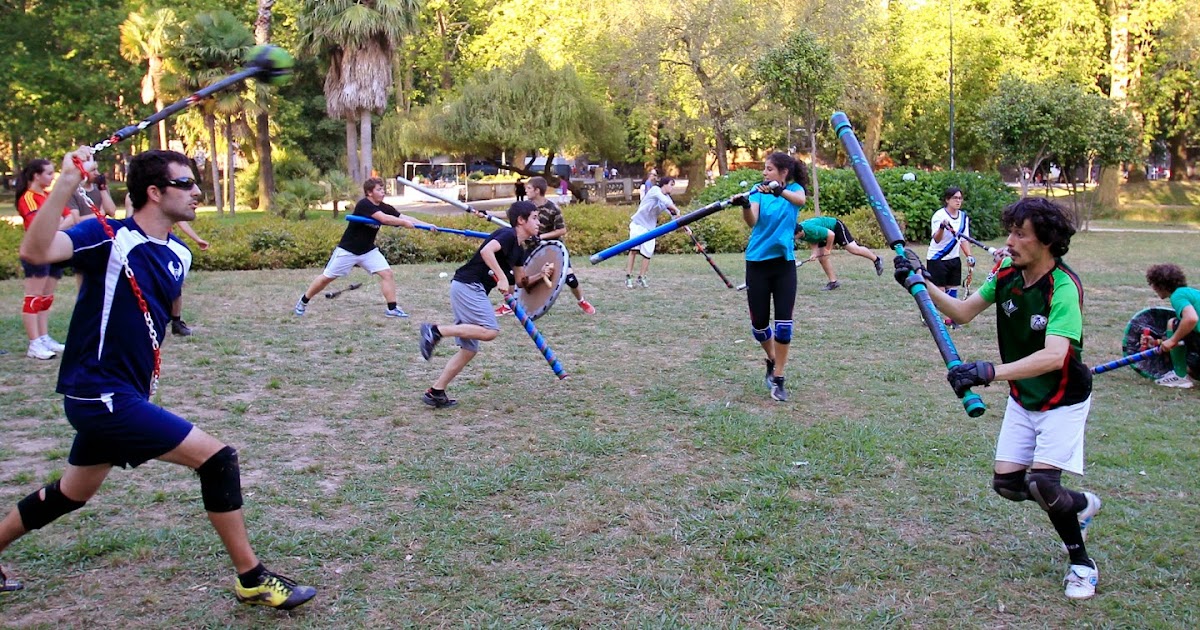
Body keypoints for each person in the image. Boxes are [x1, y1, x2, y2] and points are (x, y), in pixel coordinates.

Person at [0, 147, 316, 609]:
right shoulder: (108, 236)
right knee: (217, 459)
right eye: (186, 184)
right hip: (97, 393)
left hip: (126, 393)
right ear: (154, 191)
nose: (196, 192)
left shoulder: (179, 255)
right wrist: (67, 182)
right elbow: (35, 251)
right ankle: (251, 577)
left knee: (72, 493)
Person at [895, 196, 1101, 600]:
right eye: (1011, 231)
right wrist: (920, 280)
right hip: (1024, 397)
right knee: (1007, 485)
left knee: (1042, 483)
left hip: (1063, 397)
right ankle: (1077, 504)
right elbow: (964, 310)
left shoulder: (1063, 287)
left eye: (1020, 234)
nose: (1010, 241)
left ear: (1047, 241)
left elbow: (1055, 355)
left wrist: (991, 372)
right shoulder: (1007, 271)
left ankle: (1081, 564)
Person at [417, 201, 554, 408]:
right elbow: (486, 252)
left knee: (469, 350)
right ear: (521, 220)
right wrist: (500, 276)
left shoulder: (519, 249)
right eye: (535, 218)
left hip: (468, 288)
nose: (539, 223)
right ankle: (435, 331)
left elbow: (520, 282)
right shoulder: (507, 235)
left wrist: (540, 275)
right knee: (490, 330)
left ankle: (436, 391)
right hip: (468, 285)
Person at [734, 152, 808, 402]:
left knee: (784, 327)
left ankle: (779, 378)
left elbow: (799, 201)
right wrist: (745, 204)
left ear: (783, 172)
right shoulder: (757, 190)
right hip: (757, 263)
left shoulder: (795, 189)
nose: (764, 173)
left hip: (784, 264)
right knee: (759, 328)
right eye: (764, 169)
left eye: (769, 169)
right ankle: (773, 358)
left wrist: (779, 191)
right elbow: (751, 221)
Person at [294, 177, 421, 318]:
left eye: (383, 189)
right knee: (326, 278)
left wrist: (427, 225)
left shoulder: (384, 207)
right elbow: (384, 219)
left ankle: (392, 308)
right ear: (369, 192)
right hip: (348, 250)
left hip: (368, 250)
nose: (382, 192)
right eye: (379, 189)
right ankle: (303, 301)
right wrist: (403, 223)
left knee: (387, 274)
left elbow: (403, 216)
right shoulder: (364, 204)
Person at [498, 176, 594, 315]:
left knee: (570, 278)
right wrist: (485, 214)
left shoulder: (553, 208)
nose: (526, 191)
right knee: (515, 276)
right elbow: (507, 214)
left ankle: (582, 301)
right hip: (531, 248)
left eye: (529, 188)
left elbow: (562, 230)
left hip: (551, 248)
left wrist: (541, 236)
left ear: (537, 190)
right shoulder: (526, 207)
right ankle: (509, 305)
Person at [15, 158, 76, 360]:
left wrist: (54, 226)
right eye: (49, 173)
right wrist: (56, 225)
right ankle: (34, 343)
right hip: (38, 251)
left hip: (53, 250)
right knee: (34, 296)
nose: (52, 177)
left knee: (46, 297)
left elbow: (70, 217)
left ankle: (44, 336)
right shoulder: (29, 198)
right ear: (36, 176)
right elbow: (36, 226)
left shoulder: (49, 197)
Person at [1145, 263, 1199, 388]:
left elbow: (1191, 319)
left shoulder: (1178, 295)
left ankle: (1180, 377)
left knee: (1173, 323)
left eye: (1153, 284)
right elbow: (1188, 335)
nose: (1153, 288)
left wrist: (1172, 340)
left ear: (1161, 285)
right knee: (1193, 370)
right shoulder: (1192, 293)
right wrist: (1158, 342)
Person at [794, 215, 884, 290]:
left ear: (800, 232)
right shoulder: (801, 233)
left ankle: (876, 259)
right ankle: (833, 282)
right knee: (822, 258)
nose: (793, 237)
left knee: (852, 248)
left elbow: (831, 234)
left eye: (794, 236)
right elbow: (813, 239)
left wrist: (827, 249)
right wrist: (814, 253)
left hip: (835, 227)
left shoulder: (809, 229)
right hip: (825, 233)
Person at [625, 176, 681, 288]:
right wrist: (676, 209)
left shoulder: (668, 199)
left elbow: (673, 215)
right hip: (638, 224)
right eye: (671, 184)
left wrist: (681, 222)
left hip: (650, 228)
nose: (672, 188)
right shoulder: (655, 190)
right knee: (634, 250)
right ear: (664, 184)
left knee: (648, 253)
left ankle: (642, 276)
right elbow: (665, 202)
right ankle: (628, 276)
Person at [926, 187, 975, 312]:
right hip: (937, 259)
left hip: (954, 258)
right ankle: (929, 315)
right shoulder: (939, 215)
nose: (958, 201)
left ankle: (950, 319)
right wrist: (942, 227)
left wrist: (969, 255)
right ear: (947, 200)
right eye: (955, 198)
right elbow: (936, 239)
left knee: (952, 290)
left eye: (960, 198)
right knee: (939, 292)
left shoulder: (963, 217)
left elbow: (964, 239)